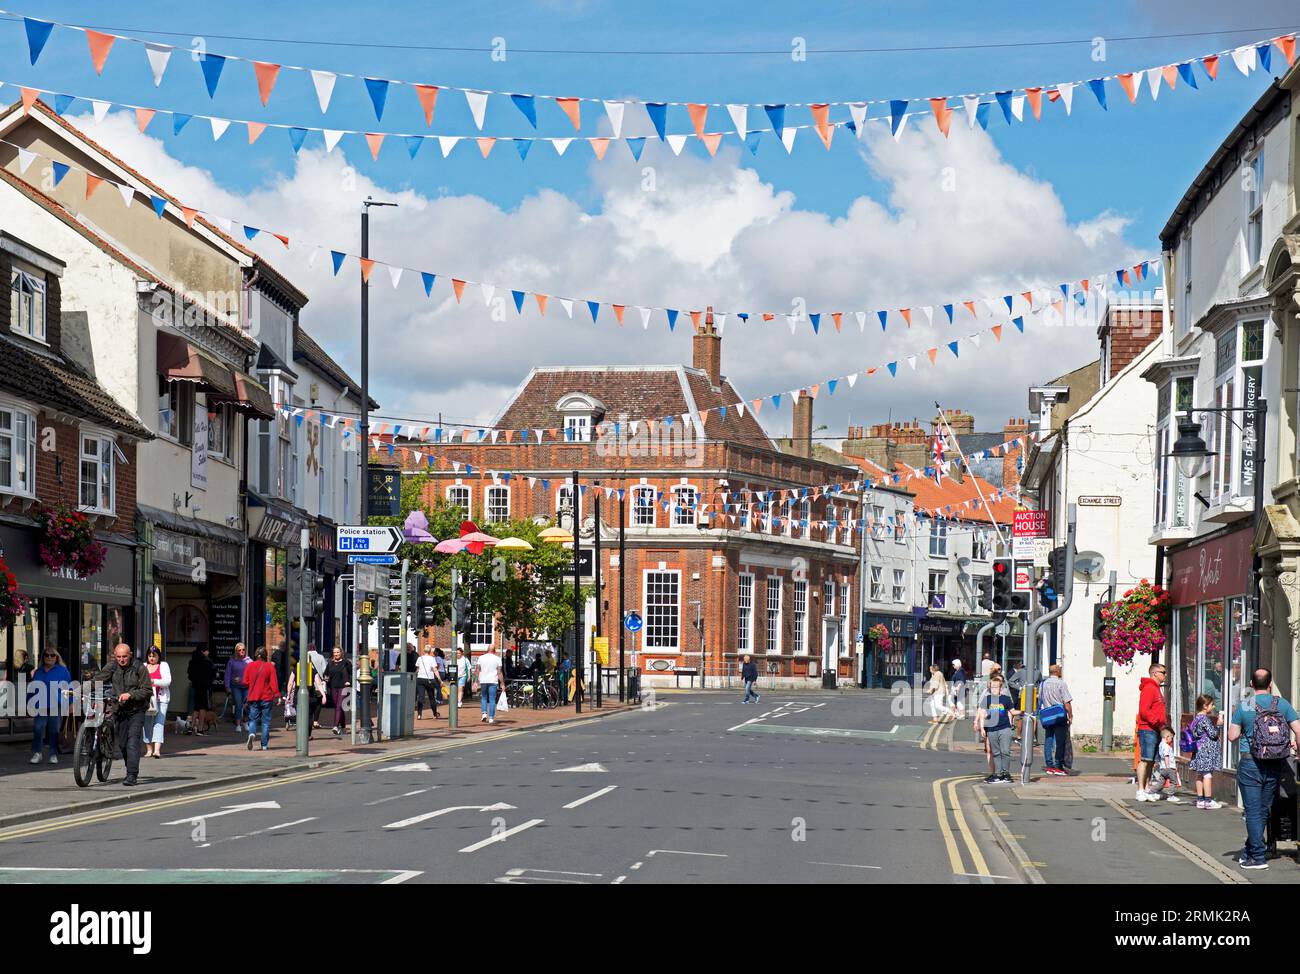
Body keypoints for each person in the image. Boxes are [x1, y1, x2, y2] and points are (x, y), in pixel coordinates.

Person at [1228, 668, 1300, 869]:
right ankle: (1252, 849)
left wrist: (1243, 729)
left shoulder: (1245, 706)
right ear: (1270, 684)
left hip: (1251, 762)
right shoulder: (1282, 704)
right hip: (1275, 763)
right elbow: (1298, 730)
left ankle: (1257, 858)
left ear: (1252, 683)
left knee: (1252, 811)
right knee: (1262, 810)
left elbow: (1232, 736)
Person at [92, 644, 153, 786]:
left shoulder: (139, 668)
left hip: (136, 710)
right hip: (119, 710)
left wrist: (130, 694)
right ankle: (130, 768)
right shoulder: (112, 667)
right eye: (118, 657)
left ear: (130, 654)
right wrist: (78, 690)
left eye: (124, 656)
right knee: (123, 744)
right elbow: (98, 680)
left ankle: (132, 774)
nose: (121, 659)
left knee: (132, 741)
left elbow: (147, 690)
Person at [28, 648, 71, 764]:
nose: (50, 657)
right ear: (43, 657)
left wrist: (70, 703)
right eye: (47, 655)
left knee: (54, 731)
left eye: (53, 655)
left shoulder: (63, 671)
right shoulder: (38, 672)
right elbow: (32, 689)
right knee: (38, 729)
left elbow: (69, 689)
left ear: (57, 657)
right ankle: (37, 753)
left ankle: (53, 754)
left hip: (56, 705)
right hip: (39, 704)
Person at [976, 673, 1019, 783]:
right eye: (992, 687)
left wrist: (1023, 711)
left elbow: (1012, 711)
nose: (994, 689)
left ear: (1001, 688)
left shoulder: (1006, 699)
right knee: (995, 752)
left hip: (1004, 728)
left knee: (1005, 751)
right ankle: (998, 775)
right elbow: (982, 713)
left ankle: (1006, 774)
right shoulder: (987, 699)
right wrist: (981, 727)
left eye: (996, 687)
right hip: (992, 729)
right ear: (990, 687)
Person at [1135, 662, 1168, 802]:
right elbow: (1144, 711)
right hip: (1148, 728)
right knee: (1145, 760)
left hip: (1155, 729)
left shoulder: (1156, 688)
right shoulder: (1149, 688)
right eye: (1163, 672)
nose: (1165, 675)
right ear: (1155, 673)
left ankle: (1147, 788)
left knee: (1151, 761)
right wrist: (1157, 722)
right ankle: (1140, 790)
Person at [1187, 694, 1224, 809]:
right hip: (1206, 751)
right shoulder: (1204, 719)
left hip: (1199, 750)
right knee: (1207, 774)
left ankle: (1200, 799)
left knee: (1199, 774)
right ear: (1204, 706)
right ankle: (1208, 800)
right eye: (1212, 705)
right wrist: (1218, 725)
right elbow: (1213, 734)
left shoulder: (1196, 718)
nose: (1213, 707)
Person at [1038, 664, 1074, 777]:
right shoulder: (1061, 683)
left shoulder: (1043, 684)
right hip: (1059, 715)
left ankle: (1049, 766)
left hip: (1048, 715)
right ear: (1058, 672)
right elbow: (1067, 702)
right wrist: (1070, 715)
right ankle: (1058, 766)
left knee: (1048, 740)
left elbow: (1040, 699)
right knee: (1060, 742)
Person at [243, 647, 280, 751]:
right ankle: (264, 745)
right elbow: (273, 683)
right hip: (267, 698)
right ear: (266, 655)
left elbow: (245, 682)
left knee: (253, 719)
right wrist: (277, 695)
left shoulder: (250, 666)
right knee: (266, 722)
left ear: (256, 655)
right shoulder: (269, 667)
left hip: (253, 697)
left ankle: (252, 733)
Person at [144, 648, 172, 759]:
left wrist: (154, 681)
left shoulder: (164, 665)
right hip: (149, 699)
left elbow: (167, 681)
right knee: (147, 723)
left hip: (161, 698)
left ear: (158, 656)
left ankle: (157, 750)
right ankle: (149, 749)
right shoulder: (144, 666)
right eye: (150, 656)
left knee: (159, 722)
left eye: (154, 656)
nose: (152, 658)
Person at [1144, 726, 1182, 802]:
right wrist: (1168, 767)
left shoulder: (1160, 745)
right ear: (1167, 737)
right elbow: (1166, 756)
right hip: (1169, 768)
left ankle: (1150, 792)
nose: (1171, 740)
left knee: (1161, 783)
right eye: (1171, 738)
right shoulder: (1166, 746)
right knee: (1174, 782)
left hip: (1162, 768)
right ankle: (1170, 796)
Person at [186, 646, 215, 735]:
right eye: (207, 651)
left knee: (196, 707)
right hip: (204, 687)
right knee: (202, 708)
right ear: (203, 651)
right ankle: (200, 729)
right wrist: (209, 683)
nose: (208, 653)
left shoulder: (192, 661)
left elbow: (189, 674)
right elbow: (212, 674)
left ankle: (191, 727)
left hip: (195, 686)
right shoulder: (207, 662)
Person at [324, 647, 352, 736]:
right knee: (338, 706)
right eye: (334, 652)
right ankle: (343, 727)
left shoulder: (346, 662)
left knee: (339, 706)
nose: (336, 654)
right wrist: (326, 678)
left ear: (341, 652)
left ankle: (335, 726)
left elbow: (352, 673)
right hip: (333, 687)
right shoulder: (330, 663)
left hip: (343, 687)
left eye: (338, 652)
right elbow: (326, 673)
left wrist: (349, 681)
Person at [225, 643, 250, 733]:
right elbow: (227, 674)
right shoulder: (232, 661)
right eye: (239, 650)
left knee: (247, 705)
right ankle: (238, 724)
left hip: (247, 686)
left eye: (243, 650)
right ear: (236, 651)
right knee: (239, 705)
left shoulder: (248, 660)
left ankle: (245, 722)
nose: (241, 651)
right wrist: (227, 687)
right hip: (235, 687)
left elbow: (252, 674)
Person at [476, 645, 503, 724]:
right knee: (492, 699)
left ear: (487, 650)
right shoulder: (498, 659)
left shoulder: (481, 658)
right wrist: (502, 683)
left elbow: (477, 669)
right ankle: (491, 718)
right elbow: (499, 672)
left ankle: (484, 714)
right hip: (493, 680)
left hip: (483, 680)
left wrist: (475, 681)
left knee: (484, 697)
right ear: (494, 650)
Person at [416, 646, 441, 719]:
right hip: (429, 679)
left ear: (424, 650)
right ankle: (434, 713)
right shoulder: (432, 659)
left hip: (420, 678)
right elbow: (435, 669)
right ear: (430, 651)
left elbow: (417, 669)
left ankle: (419, 714)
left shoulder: (419, 658)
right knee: (431, 697)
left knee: (420, 697)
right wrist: (439, 679)